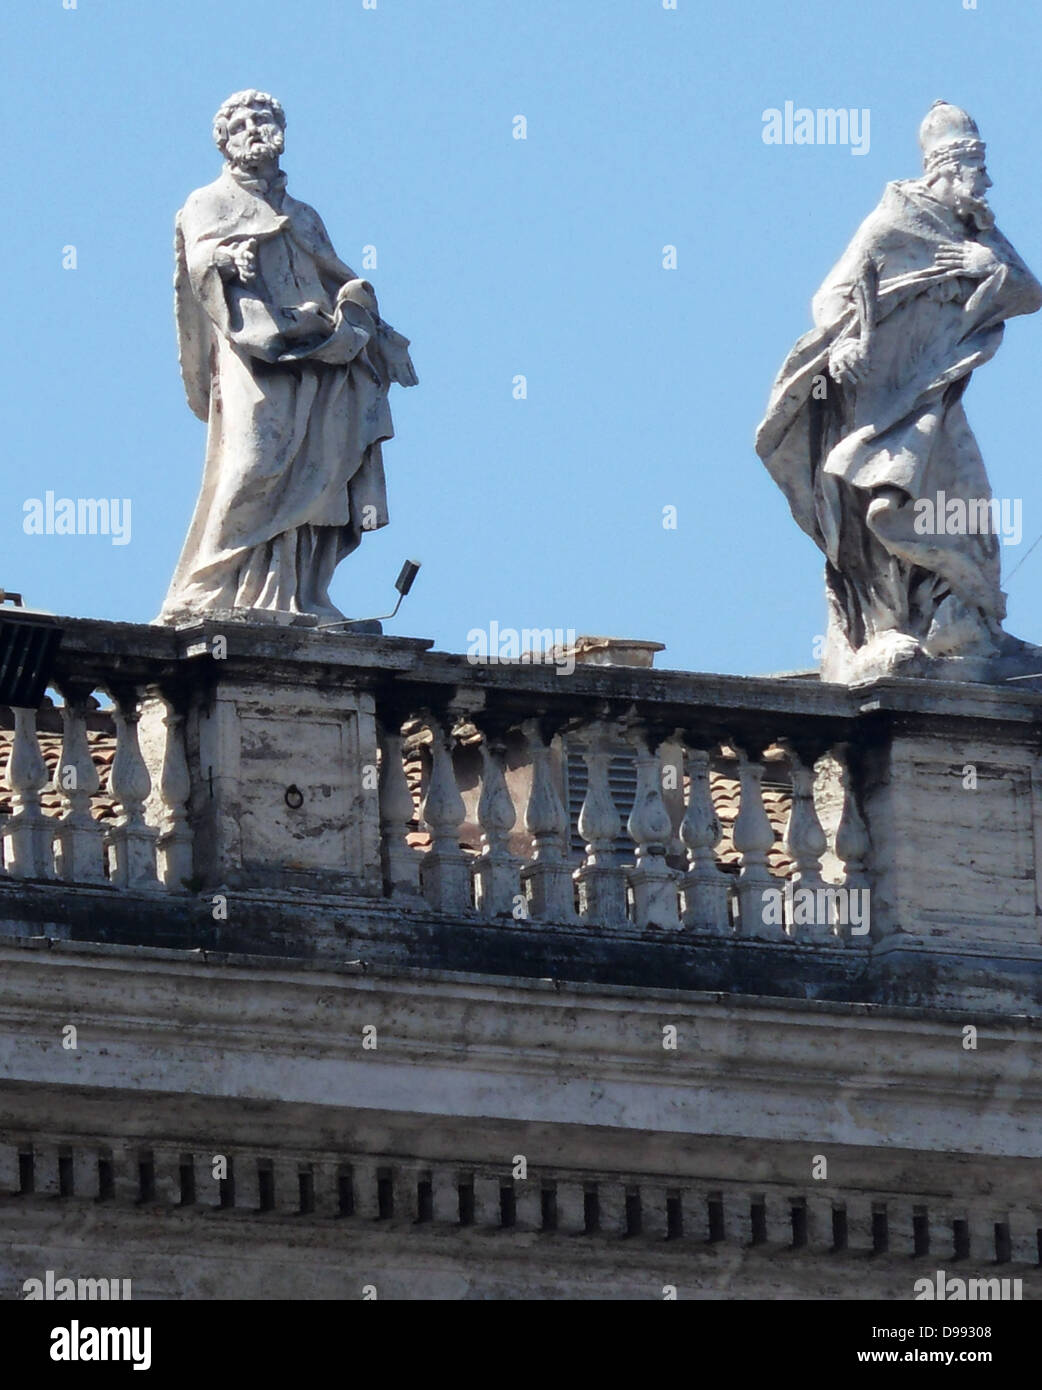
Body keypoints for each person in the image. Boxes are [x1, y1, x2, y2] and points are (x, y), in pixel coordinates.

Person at [158, 90, 416, 626]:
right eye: (241, 124)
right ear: (224, 142)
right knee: (254, 462)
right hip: (254, 355)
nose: (254, 129)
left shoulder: (304, 215)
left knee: (319, 468)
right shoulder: (208, 200)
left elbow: (334, 272)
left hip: (320, 359)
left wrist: (361, 308)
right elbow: (196, 261)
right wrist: (224, 258)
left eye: (264, 119)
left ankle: (301, 596)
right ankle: (209, 586)